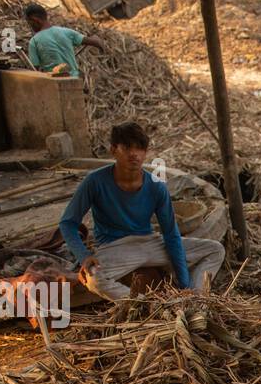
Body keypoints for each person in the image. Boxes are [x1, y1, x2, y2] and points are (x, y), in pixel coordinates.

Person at [59, 121, 226, 301]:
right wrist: (84, 256)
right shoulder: (95, 181)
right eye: (127, 148)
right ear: (113, 150)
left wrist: (184, 284)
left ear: (145, 152)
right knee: (93, 279)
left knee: (215, 249)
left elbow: (171, 235)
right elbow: (68, 223)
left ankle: (193, 298)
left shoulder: (156, 186)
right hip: (115, 248)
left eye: (139, 148)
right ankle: (147, 304)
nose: (134, 154)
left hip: (150, 243)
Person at [23, 2, 105, 77]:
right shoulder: (66, 32)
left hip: (54, 83)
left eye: (30, 23)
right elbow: (95, 41)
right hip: (75, 81)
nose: (31, 26)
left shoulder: (34, 41)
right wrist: (99, 44)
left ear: (35, 20)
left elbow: (34, 72)